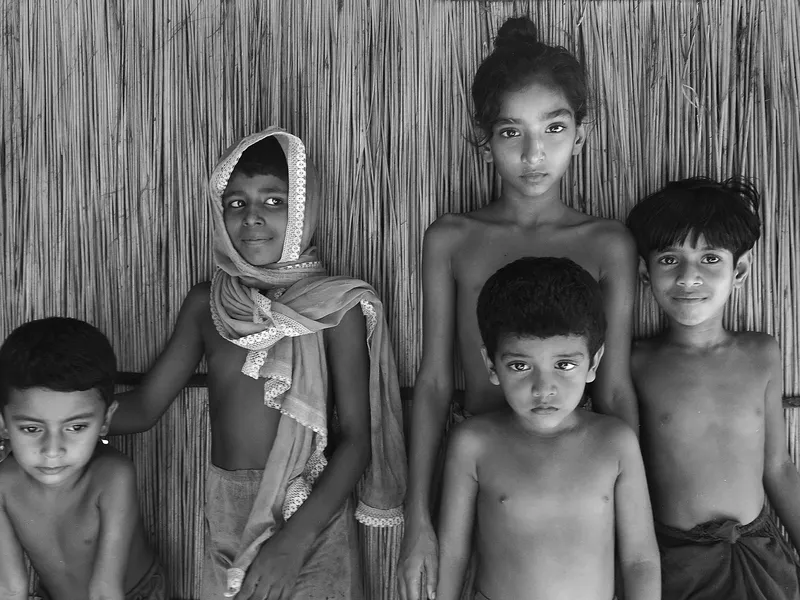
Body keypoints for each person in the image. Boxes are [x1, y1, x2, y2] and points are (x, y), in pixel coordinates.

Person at [399, 15, 639, 600]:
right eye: (511, 133)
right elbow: (433, 384)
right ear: (485, 144)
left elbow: (613, 390)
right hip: (484, 476)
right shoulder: (452, 239)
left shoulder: (606, 244)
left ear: (581, 133)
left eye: (553, 128)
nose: (534, 153)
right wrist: (419, 520)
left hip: (579, 488)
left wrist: (630, 507)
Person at [110, 128, 406, 599]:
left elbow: (356, 440)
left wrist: (294, 541)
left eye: (274, 202)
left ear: (304, 212)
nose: (252, 218)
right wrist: (67, 421)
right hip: (227, 508)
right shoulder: (208, 304)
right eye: (235, 203)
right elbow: (145, 407)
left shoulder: (336, 306)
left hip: (312, 512)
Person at [435, 257, 659, 600]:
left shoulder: (615, 442)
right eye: (521, 365)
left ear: (593, 363)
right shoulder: (474, 443)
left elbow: (640, 559)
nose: (543, 388)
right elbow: (452, 555)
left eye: (565, 364)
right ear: (491, 366)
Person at [627, 177, 800, 599]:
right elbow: (626, 480)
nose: (689, 276)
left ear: (738, 271)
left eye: (709, 258)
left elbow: (777, 468)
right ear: (645, 274)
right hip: (677, 562)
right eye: (669, 259)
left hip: (761, 552)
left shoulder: (761, 353)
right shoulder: (636, 363)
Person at [0, 317, 166, 600]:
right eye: (31, 428)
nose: (53, 450)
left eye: (76, 427)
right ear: (3, 424)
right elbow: (10, 588)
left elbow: (104, 591)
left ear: (105, 420)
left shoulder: (111, 476)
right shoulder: (2, 485)